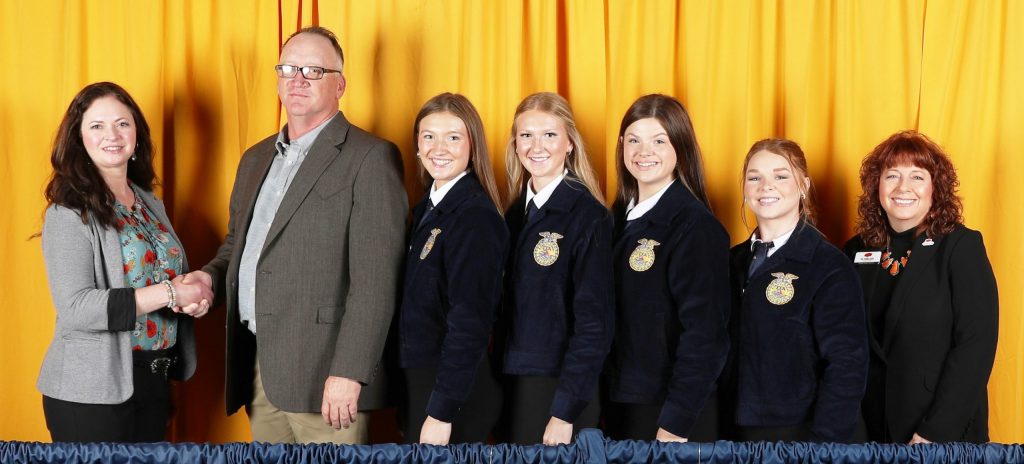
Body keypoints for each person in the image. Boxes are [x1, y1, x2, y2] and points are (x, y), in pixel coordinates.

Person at [189, 26, 407, 444]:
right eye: (288, 68)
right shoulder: (254, 158)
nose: (298, 79)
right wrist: (210, 279)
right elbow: (238, 245)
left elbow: (376, 281)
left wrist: (350, 371)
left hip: (327, 377)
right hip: (258, 367)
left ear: (339, 84)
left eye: (313, 69)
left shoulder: (370, 157)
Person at [37, 82, 212, 442]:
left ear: (137, 133)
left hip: (153, 379)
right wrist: (169, 293)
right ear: (78, 139)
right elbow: (77, 308)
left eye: (122, 124)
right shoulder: (68, 212)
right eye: (97, 126)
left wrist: (194, 294)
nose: (112, 135)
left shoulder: (149, 202)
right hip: (90, 390)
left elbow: (165, 277)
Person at [845, 130, 998, 444]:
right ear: (877, 186)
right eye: (892, 176)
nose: (903, 188)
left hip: (939, 434)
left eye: (917, 176)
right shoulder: (855, 251)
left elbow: (976, 346)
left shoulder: (960, 246)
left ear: (935, 188)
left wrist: (934, 432)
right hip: (870, 435)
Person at [719, 138, 867, 442]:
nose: (765, 186)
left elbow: (846, 365)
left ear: (804, 185)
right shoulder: (728, 263)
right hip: (733, 433)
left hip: (802, 435)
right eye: (754, 177)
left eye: (780, 175)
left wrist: (823, 446)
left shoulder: (829, 266)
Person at [604, 94, 729, 442]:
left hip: (669, 416)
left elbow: (706, 337)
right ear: (621, 146)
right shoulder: (613, 221)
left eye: (659, 140)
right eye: (635, 140)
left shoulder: (695, 227)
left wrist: (675, 423)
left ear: (681, 147)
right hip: (619, 404)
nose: (645, 152)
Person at [498, 92, 614, 445]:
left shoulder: (588, 216)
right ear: (515, 144)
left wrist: (565, 411)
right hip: (512, 384)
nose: (537, 146)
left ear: (569, 144)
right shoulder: (512, 215)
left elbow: (595, 325)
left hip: (559, 389)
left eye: (549, 135)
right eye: (526, 135)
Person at [398, 93, 508, 445]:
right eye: (428, 136)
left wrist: (441, 411)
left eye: (453, 137)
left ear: (472, 146)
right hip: (423, 384)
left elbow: (470, 323)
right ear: (417, 144)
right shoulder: (426, 211)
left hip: (454, 395)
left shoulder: (475, 218)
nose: (438, 148)